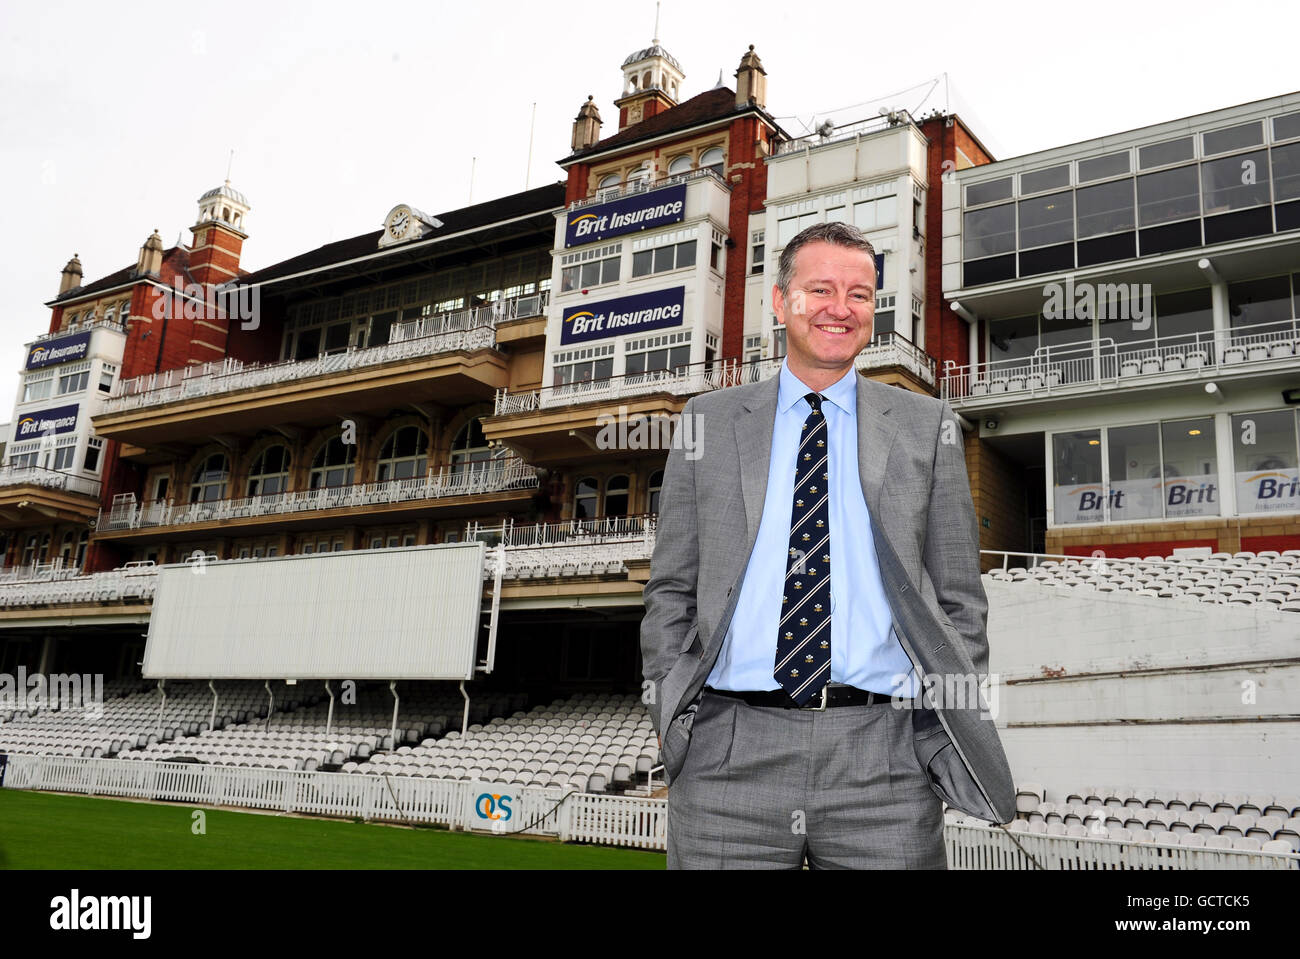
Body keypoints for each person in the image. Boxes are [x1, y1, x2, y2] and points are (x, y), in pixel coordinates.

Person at [640, 221, 1015, 869]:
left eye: (860, 294)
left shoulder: (928, 428)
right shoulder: (709, 421)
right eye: (820, 289)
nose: (840, 308)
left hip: (884, 760)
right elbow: (672, 586)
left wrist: (932, 730)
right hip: (728, 752)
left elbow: (960, 601)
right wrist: (675, 706)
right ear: (781, 302)